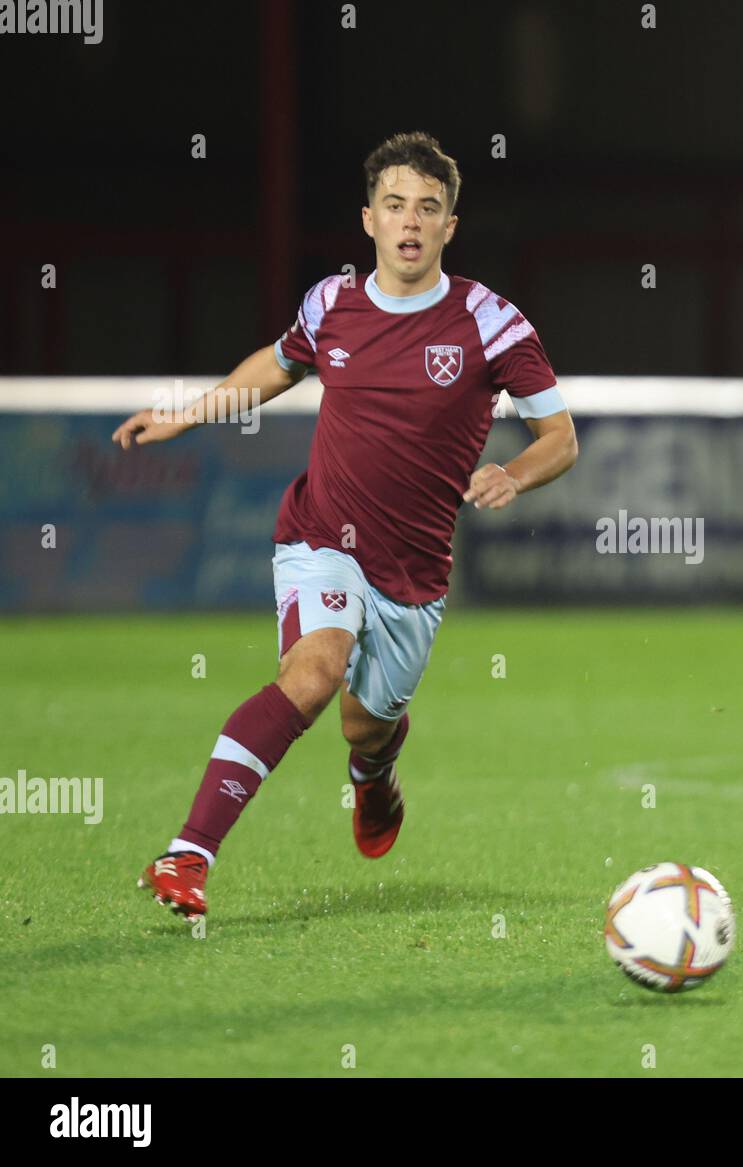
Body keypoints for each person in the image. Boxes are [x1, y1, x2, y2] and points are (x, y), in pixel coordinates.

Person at [114, 132, 578, 922]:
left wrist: (513, 472)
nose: (410, 221)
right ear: (368, 218)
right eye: (395, 205)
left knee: (366, 724)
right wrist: (188, 415)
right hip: (319, 536)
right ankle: (188, 854)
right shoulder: (332, 303)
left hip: (415, 574)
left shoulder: (489, 320)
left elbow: (561, 438)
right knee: (312, 673)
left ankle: (375, 774)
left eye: (428, 209)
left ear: (448, 228)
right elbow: (278, 364)